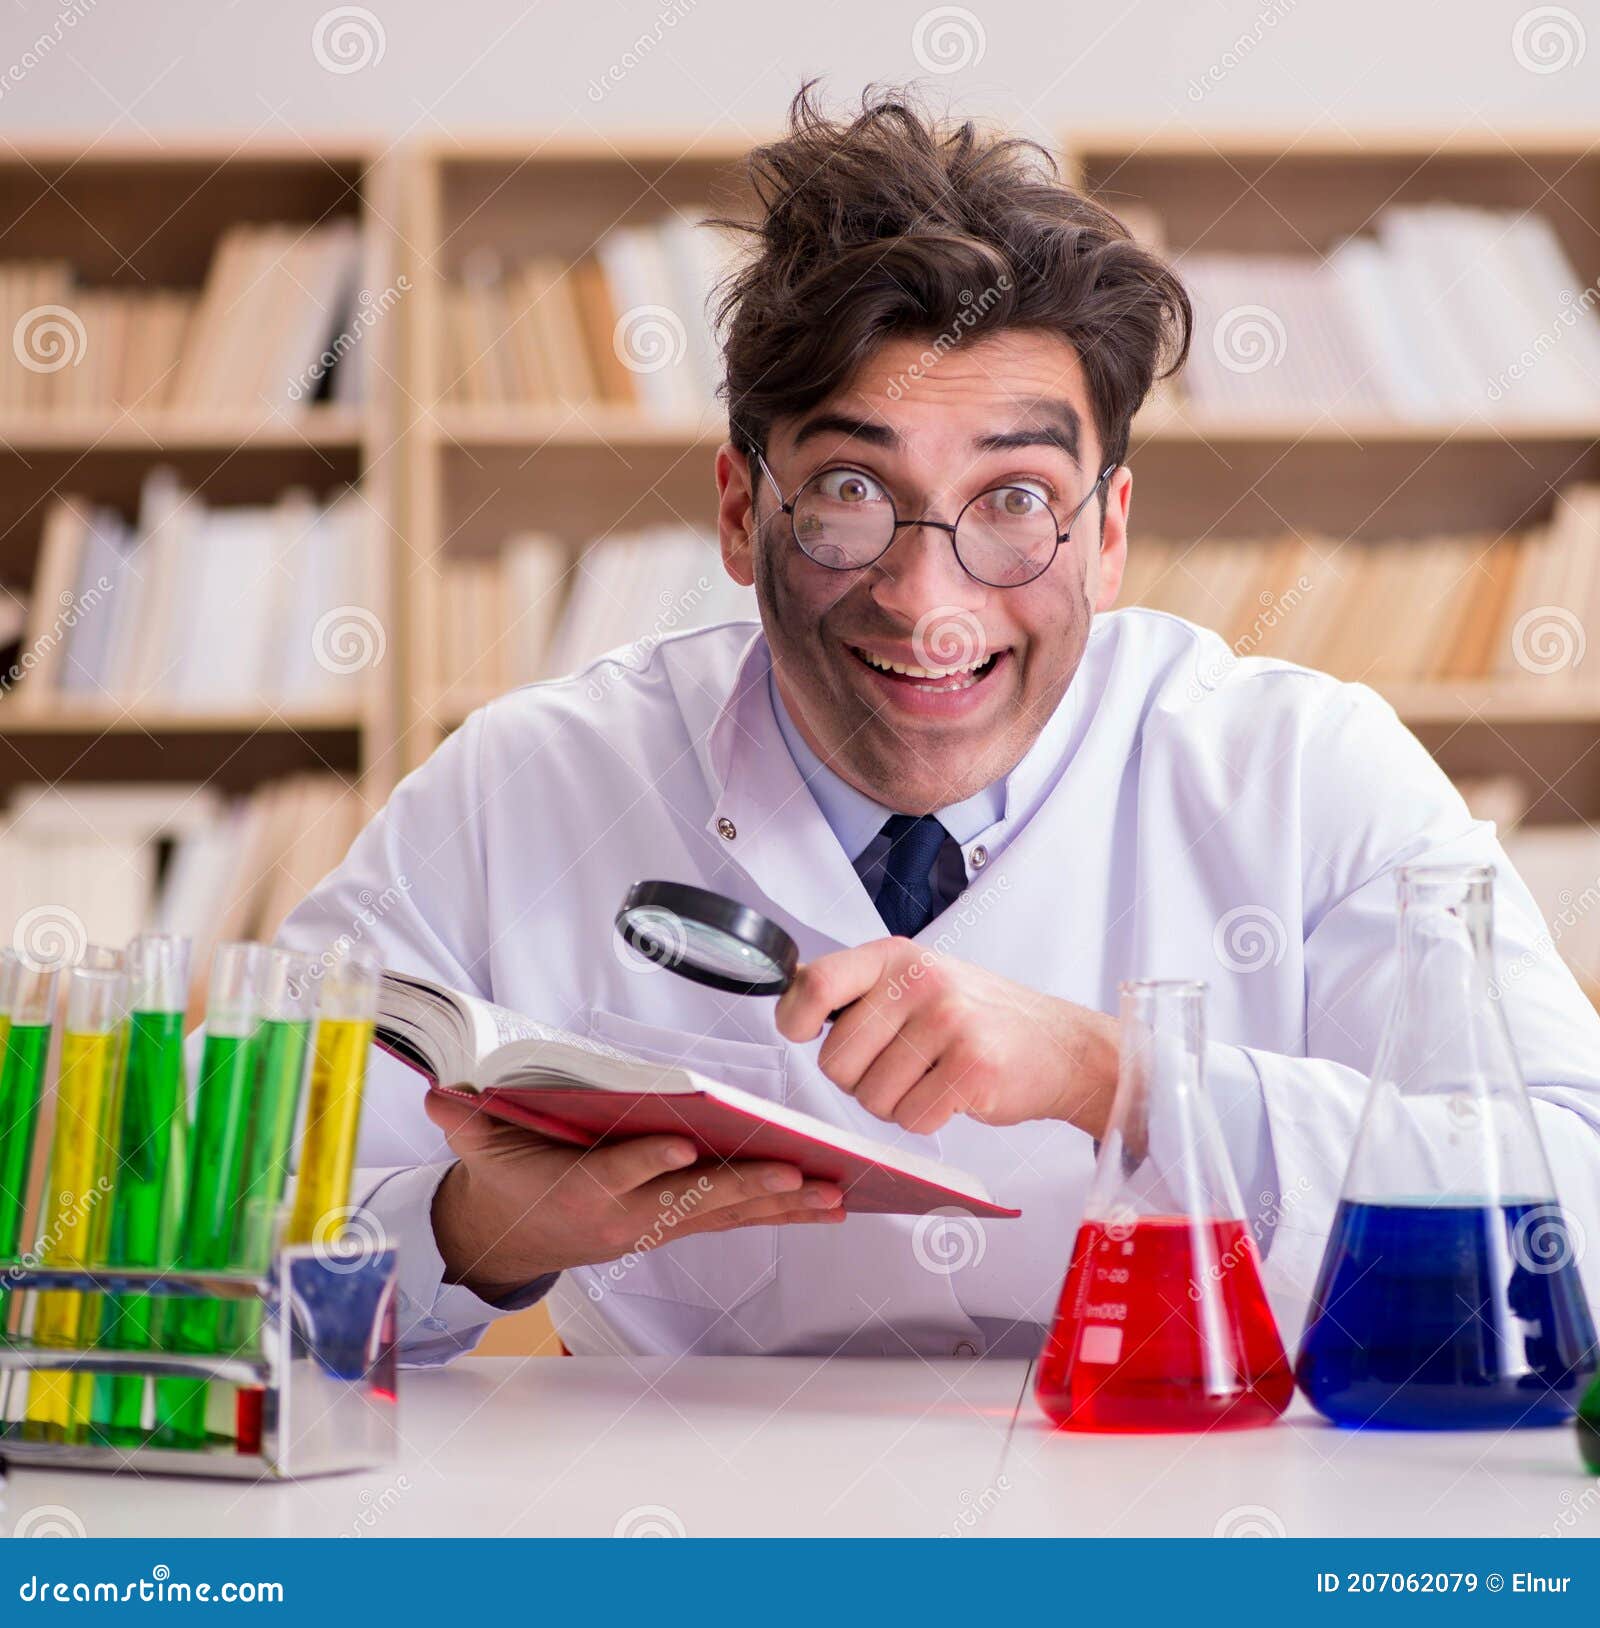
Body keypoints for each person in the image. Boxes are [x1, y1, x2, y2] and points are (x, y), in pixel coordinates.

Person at [281, 86, 1600, 1363]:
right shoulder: (529, 787)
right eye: (852, 490)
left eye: (1016, 501)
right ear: (743, 513)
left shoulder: (1308, 772)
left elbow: (1576, 1215)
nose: (930, 606)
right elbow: (219, 1262)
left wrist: (1123, 1081)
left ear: (1111, 532)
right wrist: (474, 1234)